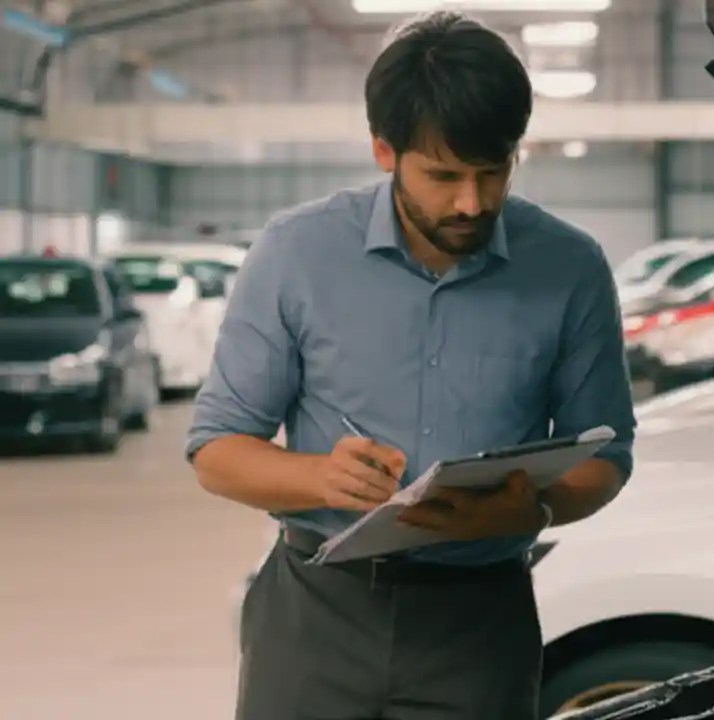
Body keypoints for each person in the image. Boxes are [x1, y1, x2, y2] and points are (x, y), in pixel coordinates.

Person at [185, 11, 636, 720]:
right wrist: (316, 475)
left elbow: (608, 453)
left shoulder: (570, 268)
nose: (472, 202)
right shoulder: (296, 254)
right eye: (444, 174)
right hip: (315, 611)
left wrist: (540, 506)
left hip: (479, 623)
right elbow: (215, 450)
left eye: (494, 172)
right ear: (383, 150)